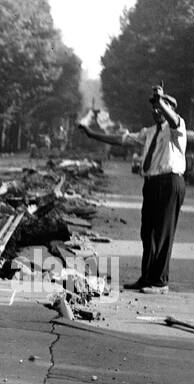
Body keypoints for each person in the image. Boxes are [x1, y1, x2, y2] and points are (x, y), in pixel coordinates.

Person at [79, 85, 187, 293]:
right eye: (154, 108)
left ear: (170, 108)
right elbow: (122, 140)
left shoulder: (177, 127)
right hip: (152, 183)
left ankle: (160, 281)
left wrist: (161, 101)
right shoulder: (149, 132)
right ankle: (146, 277)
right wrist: (92, 134)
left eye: (161, 108)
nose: (156, 112)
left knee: (163, 233)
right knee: (148, 232)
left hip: (169, 181)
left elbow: (172, 119)